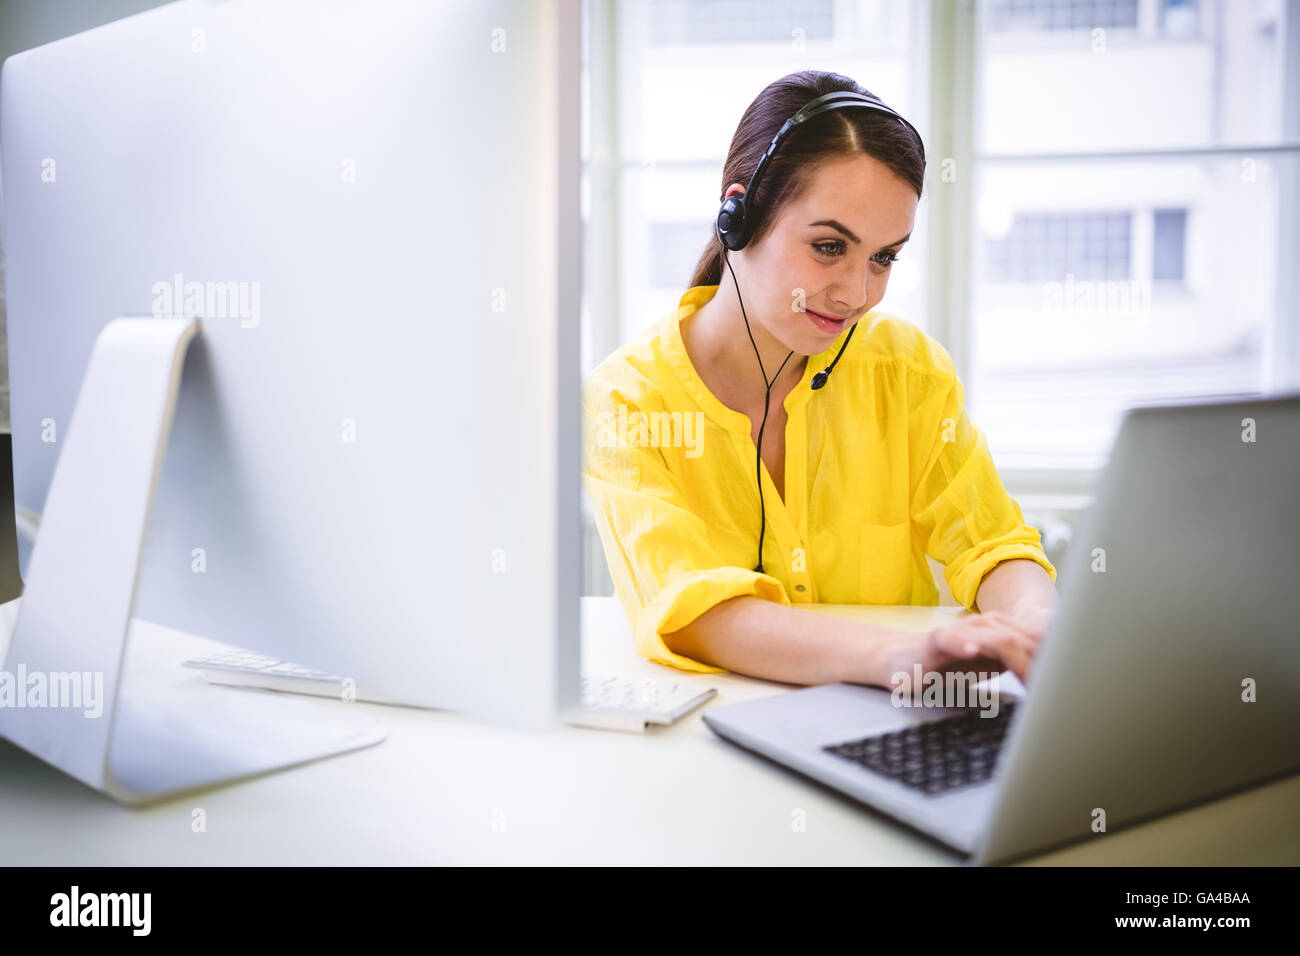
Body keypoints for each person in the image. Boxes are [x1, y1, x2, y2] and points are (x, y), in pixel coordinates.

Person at [582, 70, 1058, 691]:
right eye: (830, 246)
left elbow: (992, 543)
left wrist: (1037, 626)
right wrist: (893, 658)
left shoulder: (909, 373)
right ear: (739, 215)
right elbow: (691, 610)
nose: (858, 294)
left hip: (891, 725)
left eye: (884, 257)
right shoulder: (626, 402)